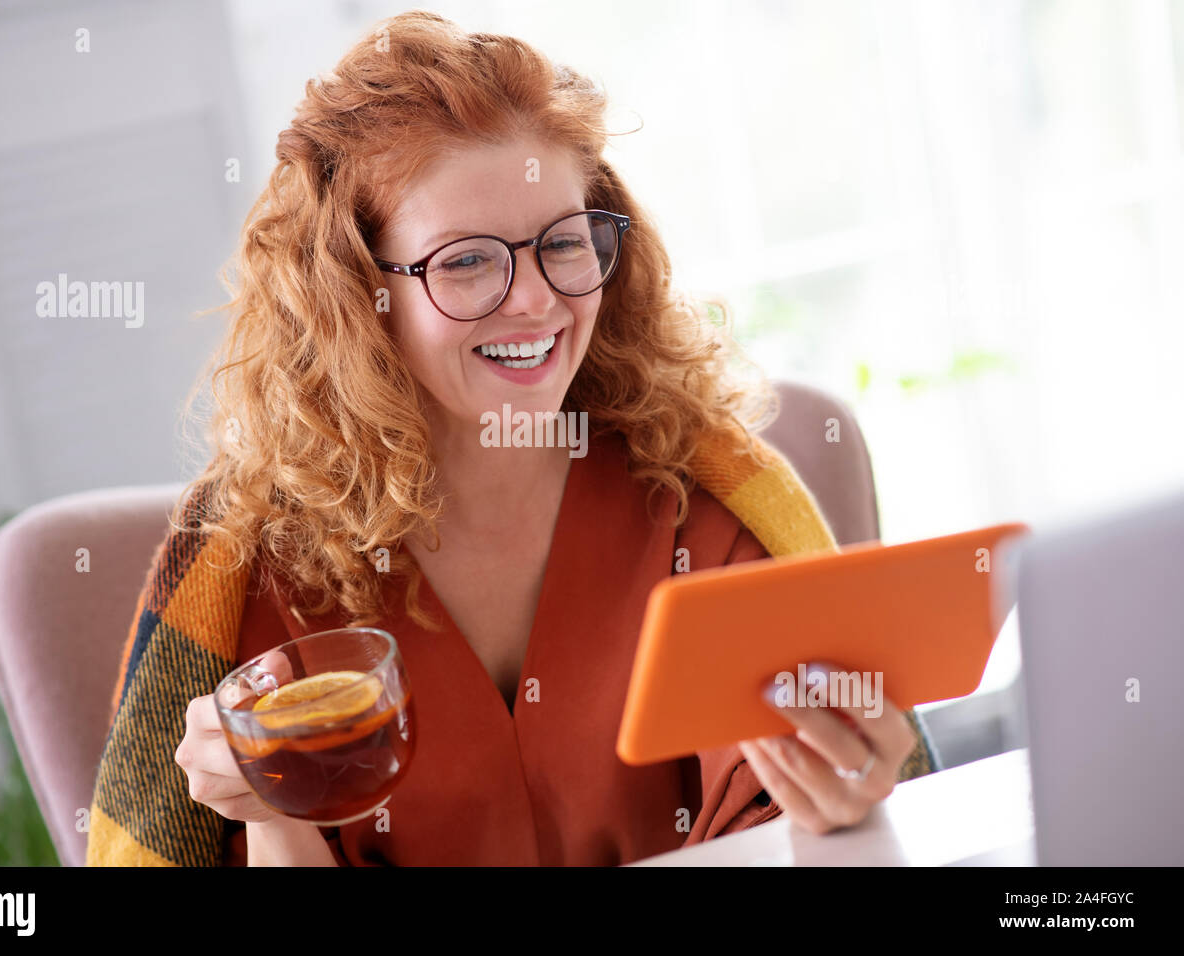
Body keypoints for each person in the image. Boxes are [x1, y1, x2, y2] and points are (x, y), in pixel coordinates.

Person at [89, 10, 935, 868]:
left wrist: (848, 795)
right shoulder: (251, 564)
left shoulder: (695, 498)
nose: (535, 301)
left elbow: (789, 818)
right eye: (465, 261)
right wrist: (274, 815)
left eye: (563, 243)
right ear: (353, 295)